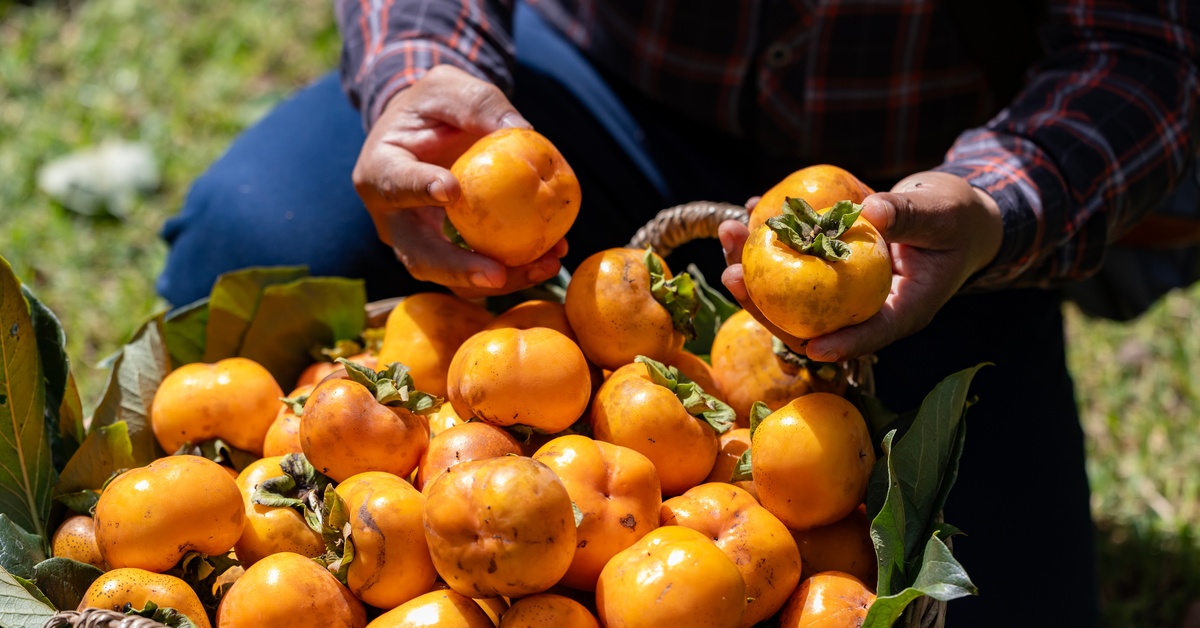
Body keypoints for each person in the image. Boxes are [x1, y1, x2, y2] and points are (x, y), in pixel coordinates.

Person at [156, 1, 1199, 624]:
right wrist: (422, 72)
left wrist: (996, 208)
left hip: (914, 212)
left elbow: (1142, 52)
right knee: (257, 231)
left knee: (1002, 609)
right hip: (595, 97)